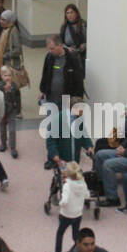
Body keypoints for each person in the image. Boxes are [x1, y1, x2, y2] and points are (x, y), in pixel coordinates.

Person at [38, 36, 86, 169]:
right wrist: (42, 90)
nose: (50, 51)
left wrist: (78, 99)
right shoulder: (49, 57)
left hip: (67, 100)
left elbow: (78, 79)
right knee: (50, 128)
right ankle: (52, 158)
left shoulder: (72, 58)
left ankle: (65, 156)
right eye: (49, 49)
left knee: (65, 128)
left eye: (52, 48)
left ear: (60, 46)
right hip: (51, 98)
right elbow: (45, 74)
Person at [48, 161, 88, 252]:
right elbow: (87, 195)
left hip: (66, 215)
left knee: (60, 233)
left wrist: (60, 204)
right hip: (78, 214)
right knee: (75, 236)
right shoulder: (83, 183)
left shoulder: (67, 186)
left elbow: (64, 201)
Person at [0, 65, 22, 160]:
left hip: (12, 111)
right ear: (1, 76)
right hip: (2, 111)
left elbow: (18, 98)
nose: (7, 77)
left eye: (9, 75)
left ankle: (13, 148)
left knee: (12, 130)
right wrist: (5, 90)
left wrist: (18, 110)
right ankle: (3, 144)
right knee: (2, 129)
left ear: (12, 76)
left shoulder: (15, 86)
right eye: (5, 75)